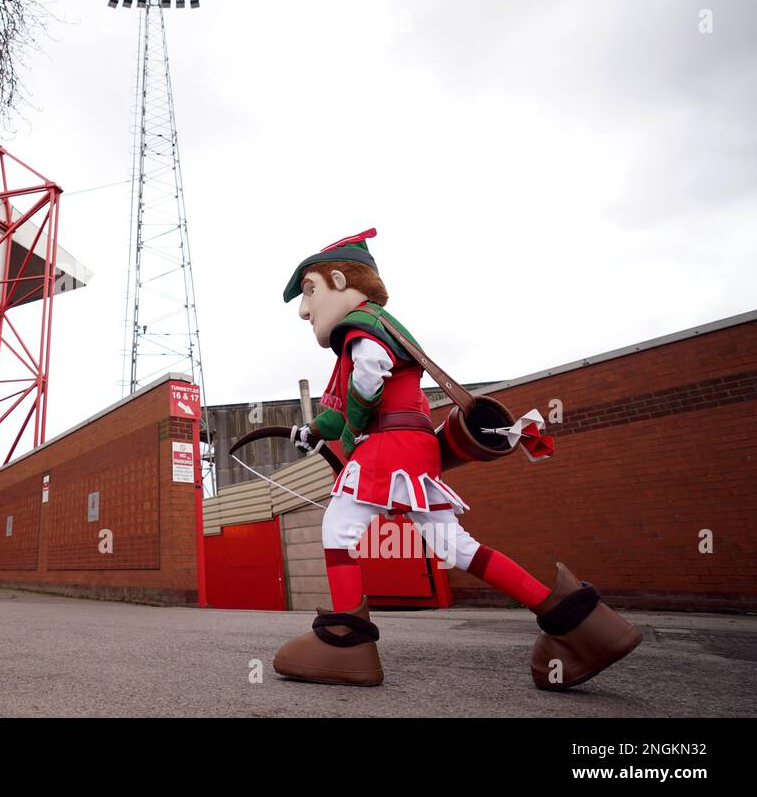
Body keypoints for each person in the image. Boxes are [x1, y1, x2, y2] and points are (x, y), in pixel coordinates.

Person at [271, 228, 641, 690]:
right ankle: (574, 623)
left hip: (389, 445)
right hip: (414, 446)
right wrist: (311, 431)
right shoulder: (378, 326)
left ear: (341, 281)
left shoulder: (362, 325)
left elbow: (368, 378)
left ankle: (346, 642)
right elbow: (346, 405)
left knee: (338, 528)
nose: (305, 310)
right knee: (453, 544)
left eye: (310, 292)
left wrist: (349, 431)